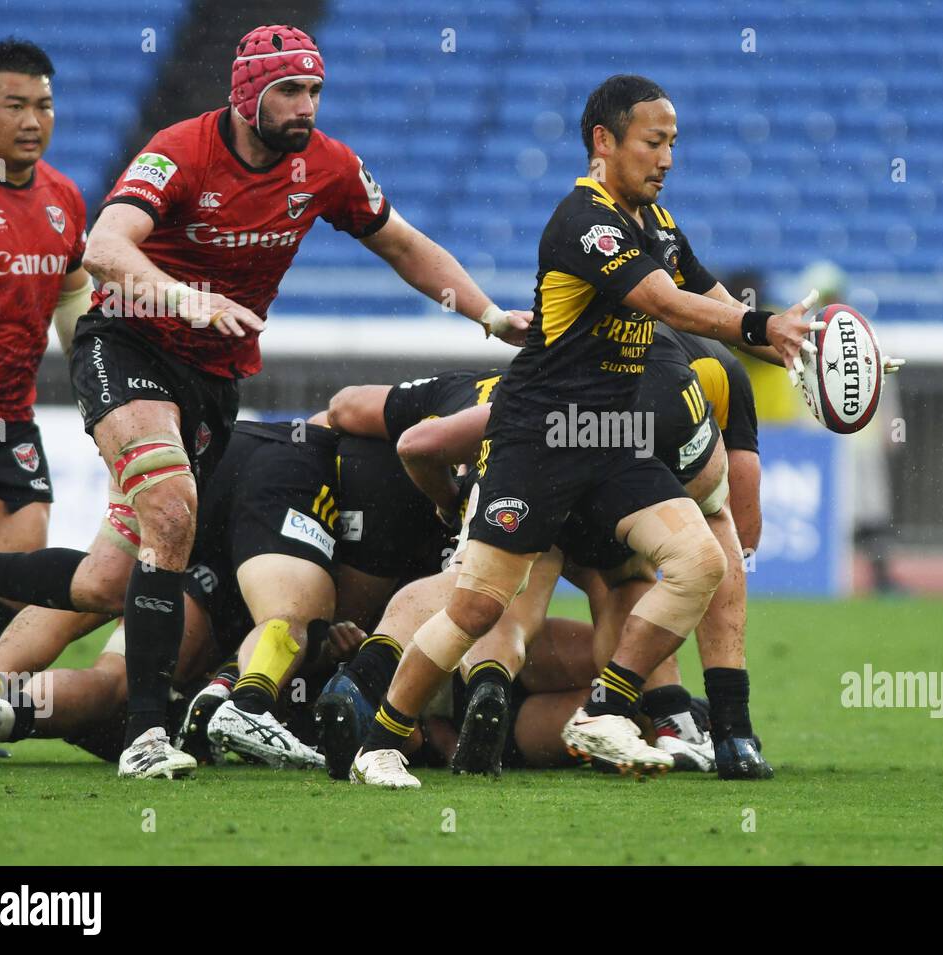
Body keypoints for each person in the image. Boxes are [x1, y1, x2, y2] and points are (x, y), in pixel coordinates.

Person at [0, 24, 530, 779]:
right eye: (290, 90)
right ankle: (147, 737)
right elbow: (105, 246)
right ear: (249, 93)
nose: (306, 107)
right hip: (126, 346)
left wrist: (485, 313)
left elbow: (402, 243)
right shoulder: (180, 150)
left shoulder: (326, 166)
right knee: (171, 510)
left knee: (104, 580)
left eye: (315, 91)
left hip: (210, 381)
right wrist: (183, 297)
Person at [348, 74, 823, 789]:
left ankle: (605, 707)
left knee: (701, 560)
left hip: (610, 438)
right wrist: (759, 325)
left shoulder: (658, 226)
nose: (667, 159)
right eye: (653, 142)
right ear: (604, 142)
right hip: (539, 439)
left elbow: (716, 302)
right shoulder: (585, 222)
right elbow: (671, 305)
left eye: (673, 144)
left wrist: (800, 345)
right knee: (476, 605)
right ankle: (377, 741)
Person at [0, 38, 92, 677]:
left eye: (45, 105)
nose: (34, 122)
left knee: (18, 583)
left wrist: (99, 384)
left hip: (8, 418)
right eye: (15, 105)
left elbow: (73, 296)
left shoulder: (63, 199)